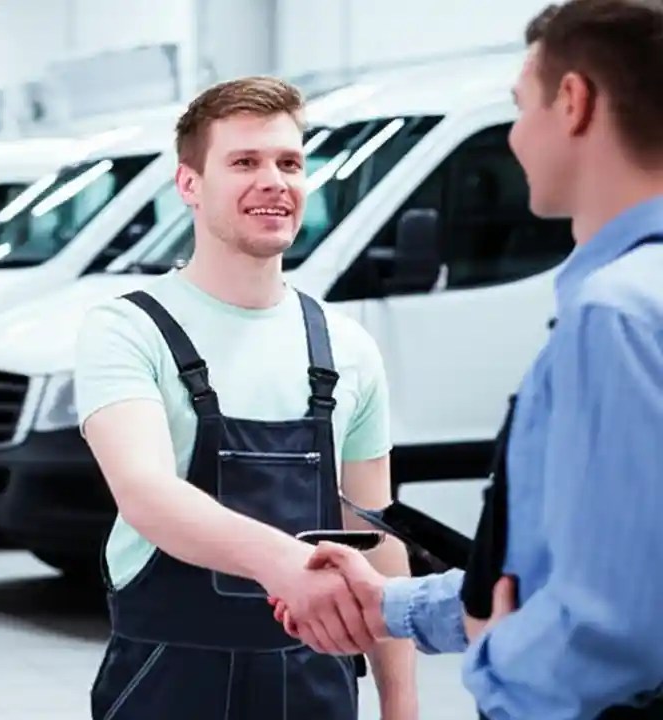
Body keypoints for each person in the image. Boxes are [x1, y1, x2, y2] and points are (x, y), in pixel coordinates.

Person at [270, 0, 663, 717]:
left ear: (573, 103)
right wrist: (391, 605)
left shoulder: (618, 316)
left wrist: (494, 657)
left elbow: (615, 623)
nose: (514, 136)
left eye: (520, 107)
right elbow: (554, 571)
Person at [74, 77, 418, 719]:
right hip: (167, 677)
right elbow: (147, 493)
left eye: (289, 163)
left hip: (314, 683)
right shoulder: (127, 329)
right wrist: (284, 564)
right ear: (189, 185)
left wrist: (400, 702)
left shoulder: (346, 349)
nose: (274, 181)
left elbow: (373, 532)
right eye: (244, 162)